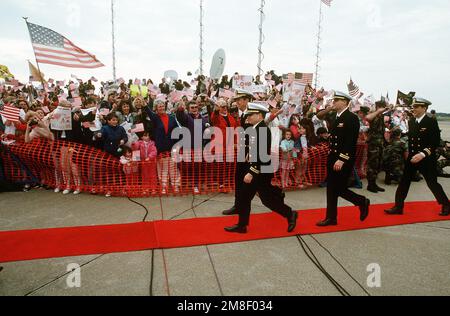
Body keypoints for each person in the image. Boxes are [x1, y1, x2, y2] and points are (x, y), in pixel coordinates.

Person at [224, 103, 298, 234]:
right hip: (257, 169)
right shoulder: (256, 128)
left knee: (258, 198)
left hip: (259, 171)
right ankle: (243, 225)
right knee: (253, 197)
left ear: (259, 115)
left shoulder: (262, 130)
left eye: (251, 114)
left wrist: (251, 172)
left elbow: (262, 155)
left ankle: (289, 213)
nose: (248, 117)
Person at [385, 98, 450, 217]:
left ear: (424, 108)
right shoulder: (412, 121)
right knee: (404, 182)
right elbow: (411, 139)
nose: (413, 109)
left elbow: (435, 142)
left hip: (426, 158)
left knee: (432, 183)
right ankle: (398, 206)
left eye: (416, 107)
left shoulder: (431, 121)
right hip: (413, 157)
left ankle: (446, 204)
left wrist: (423, 154)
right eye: (413, 107)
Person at [317, 91, 370, 227]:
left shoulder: (351, 118)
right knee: (331, 189)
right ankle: (331, 218)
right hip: (333, 157)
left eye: (337, 100)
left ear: (345, 102)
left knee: (339, 189)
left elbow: (350, 141)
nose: (333, 102)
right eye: (334, 100)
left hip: (342, 159)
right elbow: (318, 117)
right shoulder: (336, 116)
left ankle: (361, 201)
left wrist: (342, 159)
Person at [222, 89, 254, 216]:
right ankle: (238, 205)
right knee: (239, 179)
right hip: (242, 152)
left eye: (239, 100)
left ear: (246, 100)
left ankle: (283, 206)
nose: (237, 102)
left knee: (255, 185)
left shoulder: (251, 115)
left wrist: (249, 151)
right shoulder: (242, 115)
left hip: (249, 154)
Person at [365, 100, 389, 193]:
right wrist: (379, 111)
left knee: (378, 164)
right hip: (373, 144)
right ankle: (370, 185)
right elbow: (368, 118)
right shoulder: (373, 114)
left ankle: (374, 183)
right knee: (372, 164)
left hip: (380, 143)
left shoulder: (381, 116)